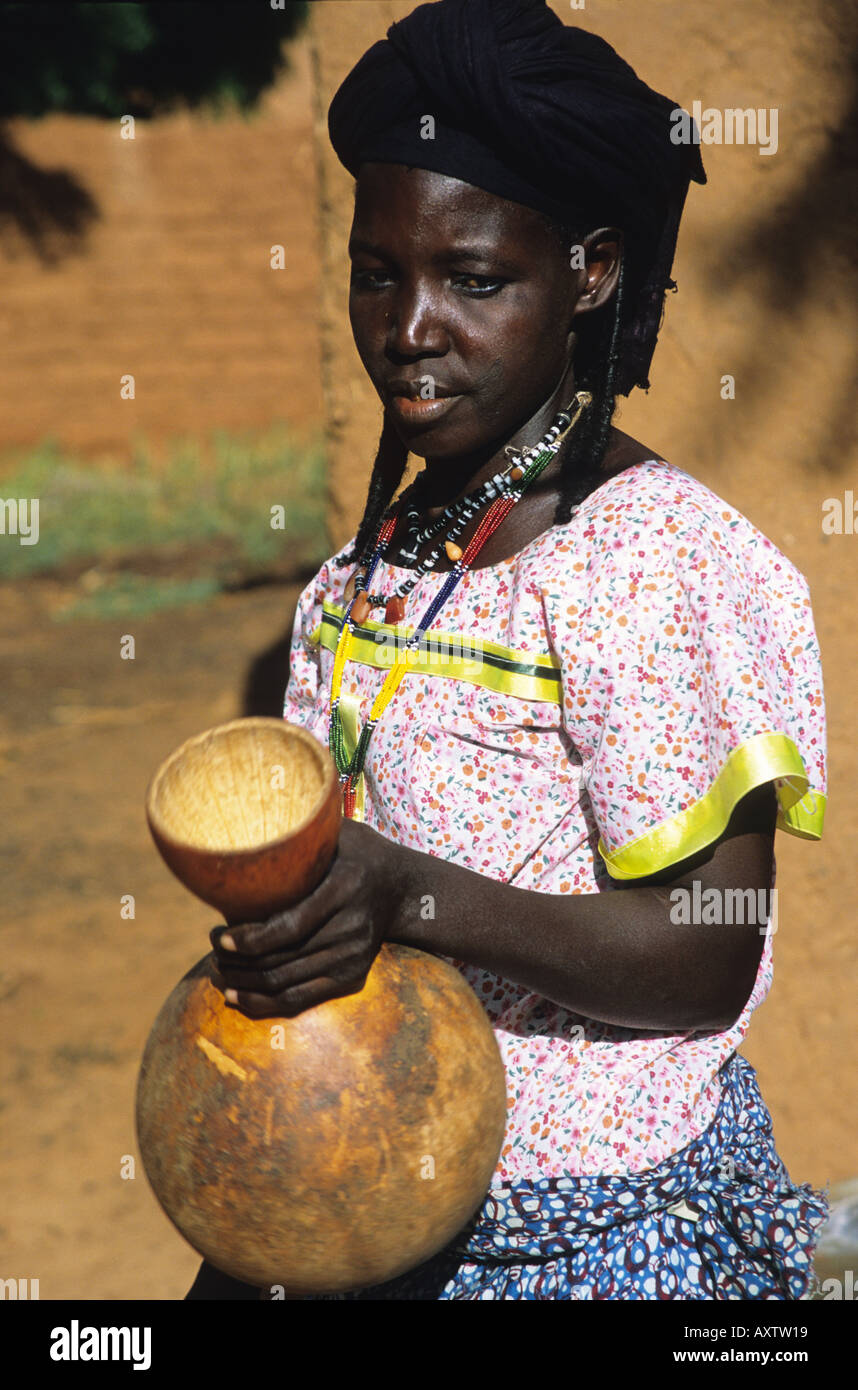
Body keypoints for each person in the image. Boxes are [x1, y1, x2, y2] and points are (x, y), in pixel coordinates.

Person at [193, 0, 828, 1300]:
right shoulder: (366, 577)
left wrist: (404, 896)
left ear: (586, 272)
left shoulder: (648, 565)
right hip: (370, 1196)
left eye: (473, 278)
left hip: (594, 1230)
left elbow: (701, 953)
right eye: (379, 271)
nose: (411, 324)